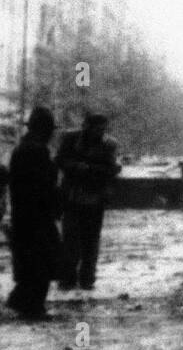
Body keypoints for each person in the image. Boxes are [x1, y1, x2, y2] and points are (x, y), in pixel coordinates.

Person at [6, 107, 62, 321]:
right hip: (37, 215)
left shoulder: (23, 148)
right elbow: (43, 185)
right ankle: (30, 305)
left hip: (25, 214)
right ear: (44, 129)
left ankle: (25, 301)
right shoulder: (36, 150)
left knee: (32, 261)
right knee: (42, 261)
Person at [56, 111, 121, 291]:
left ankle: (87, 279)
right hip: (72, 196)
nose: (100, 133)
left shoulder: (109, 144)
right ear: (87, 126)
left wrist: (90, 168)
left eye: (103, 129)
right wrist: (76, 166)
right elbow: (59, 160)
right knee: (70, 240)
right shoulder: (70, 139)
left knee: (91, 241)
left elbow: (112, 169)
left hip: (95, 197)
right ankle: (67, 279)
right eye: (96, 129)